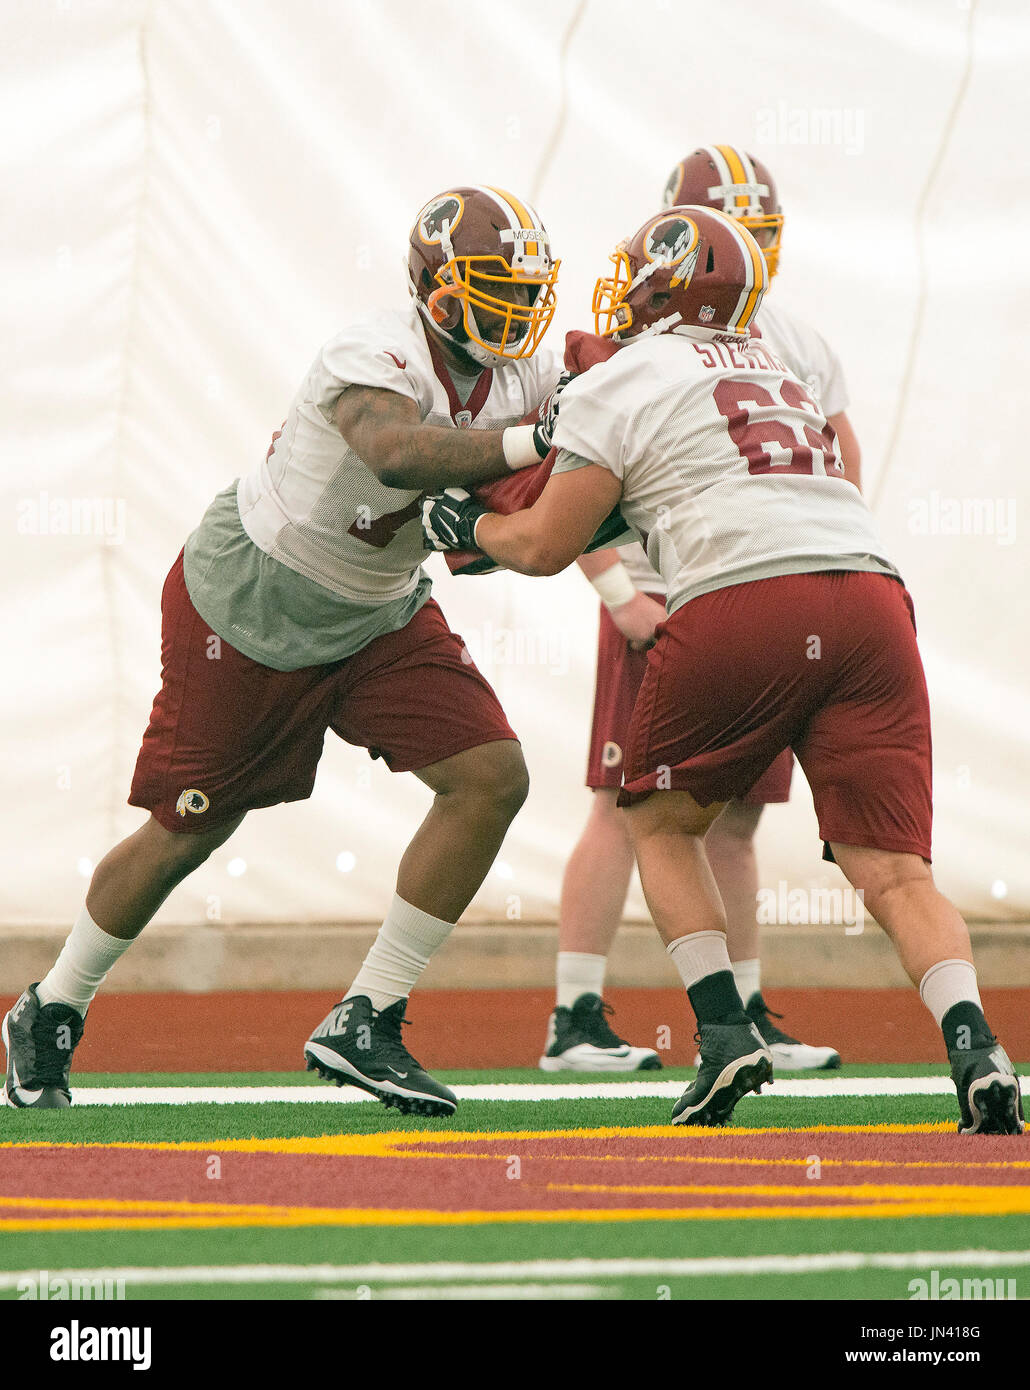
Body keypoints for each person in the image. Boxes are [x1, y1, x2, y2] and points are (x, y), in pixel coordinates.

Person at [422, 203, 1025, 1134]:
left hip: (745, 599)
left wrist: (468, 529)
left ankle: (721, 1033)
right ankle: (975, 1045)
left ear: (663, 280)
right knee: (895, 871)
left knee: (659, 823)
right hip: (871, 600)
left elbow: (545, 544)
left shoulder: (626, 376)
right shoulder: (776, 367)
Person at [2, 185, 564, 1117]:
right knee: (192, 826)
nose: (511, 307)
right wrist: (532, 444)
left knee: (493, 777)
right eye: (492, 284)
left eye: (524, 287)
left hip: (379, 612)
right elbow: (393, 453)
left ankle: (368, 1016)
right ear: (433, 284)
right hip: (254, 603)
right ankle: (52, 1006)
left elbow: (526, 516)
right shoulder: (370, 351)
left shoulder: (526, 379)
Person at [542, 146, 852, 1073]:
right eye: (732, 233)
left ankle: (745, 1007)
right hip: (663, 587)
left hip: (749, 587)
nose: (744, 252)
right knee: (622, 802)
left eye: (758, 234)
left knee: (740, 816)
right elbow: (575, 480)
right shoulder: (640, 338)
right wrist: (616, 590)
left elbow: (837, 457)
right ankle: (575, 1012)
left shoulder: (793, 338)